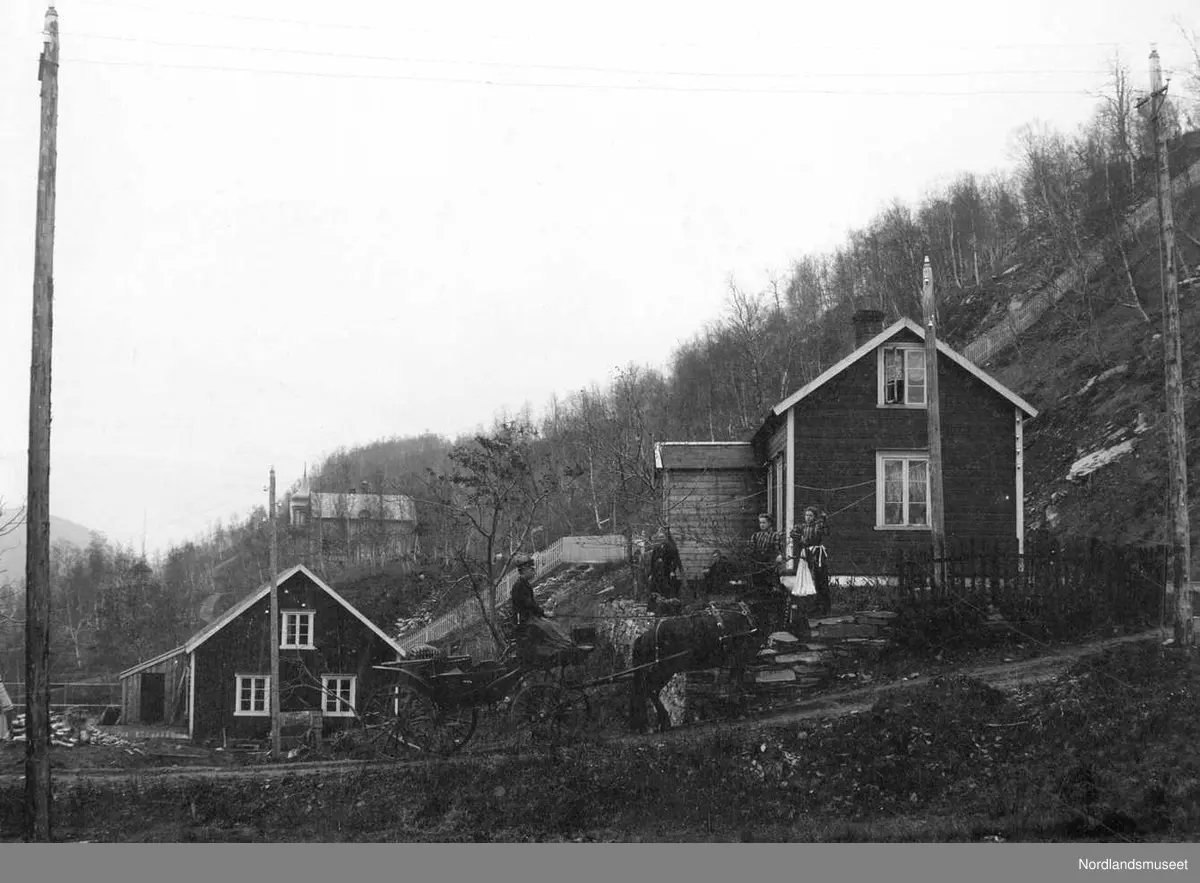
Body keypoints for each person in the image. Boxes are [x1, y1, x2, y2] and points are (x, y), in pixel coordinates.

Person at [790, 505, 831, 616]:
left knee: (819, 579)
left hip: (816, 555)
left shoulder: (817, 526)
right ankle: (809, 607)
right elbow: (792, 533)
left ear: (815, 517)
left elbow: (825, 531)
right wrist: (800, 537)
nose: (808, 518)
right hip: (805, 556)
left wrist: (823, 519)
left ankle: (822, 607)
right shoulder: (801, 527)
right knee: (806, 580)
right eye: (806, 515)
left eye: (811, 516)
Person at [645, 528, 683, 599]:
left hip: (666, 571)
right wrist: (651, 573)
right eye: (659, 537)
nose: (661, 539)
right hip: (657, 572)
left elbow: (675, 560)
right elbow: (652, 561)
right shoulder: (656, 548)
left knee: (666, 587)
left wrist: (672, 571)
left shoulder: (670, 548)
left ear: (665, 538)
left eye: (662, 537)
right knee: (655, 588)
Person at [510, 554, 545, 626]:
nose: (534, 572)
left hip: (527, 618)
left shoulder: (524, 583)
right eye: (531, 569)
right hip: (523, 623)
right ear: (524, 570)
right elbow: (529, 604)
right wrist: (542, 612)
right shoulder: (520, 586)